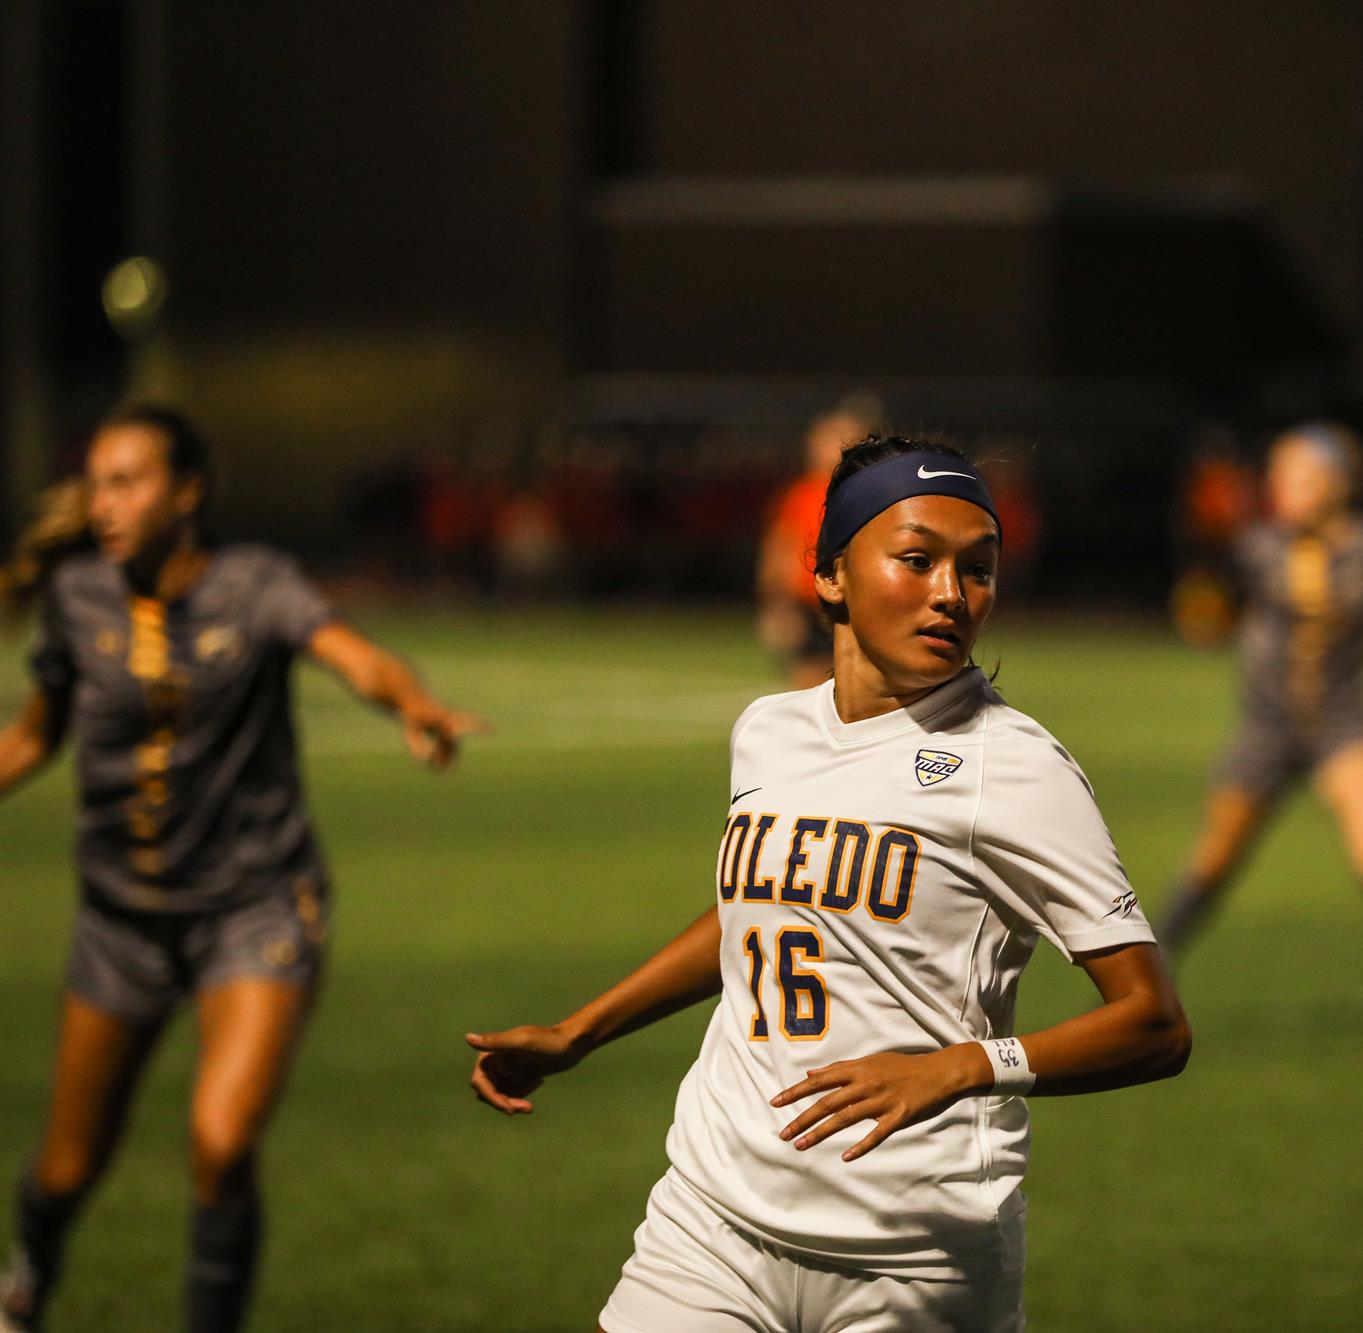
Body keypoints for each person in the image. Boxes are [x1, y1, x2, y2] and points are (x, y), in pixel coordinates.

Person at [468, 436, 1191, 1332]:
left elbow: (1155, 1024)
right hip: (712, 1219)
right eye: (918, 559)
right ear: (830, 575)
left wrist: (964, 1066)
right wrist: (582, 1030)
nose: (951, 595)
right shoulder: (769, 730)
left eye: (980, 569)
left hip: (914, 1254)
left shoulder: (1014, 767)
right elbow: (765, 905)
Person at [0, 406, 482, 1333]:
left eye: (129, 480)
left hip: (254, 906)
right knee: (66, 1167)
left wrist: (415, 702)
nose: (105, 502)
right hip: (120, 919)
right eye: (97, 481)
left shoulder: (256, 585)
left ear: (188, 491)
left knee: (221, 1144)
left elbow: (353, 656)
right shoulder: (77, 597)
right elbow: (33, 735)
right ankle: (27, 1280)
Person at [1155, 422, 1363, 1035]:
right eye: (1279, 474)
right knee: (1211, 864)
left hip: (1342, 726)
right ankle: (1146, 987)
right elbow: (1213, 611)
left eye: (1299, 474)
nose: (1282, 486)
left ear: (1338, 483)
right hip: (1266, 730)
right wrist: (1202, 603)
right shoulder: (1257, 547)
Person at [757, 398, 882, 689]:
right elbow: (780, 549)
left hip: (858, 603)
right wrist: (777, 606)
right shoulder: (800, 493)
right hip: (810, 604)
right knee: (808, 683)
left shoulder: (868, 493)